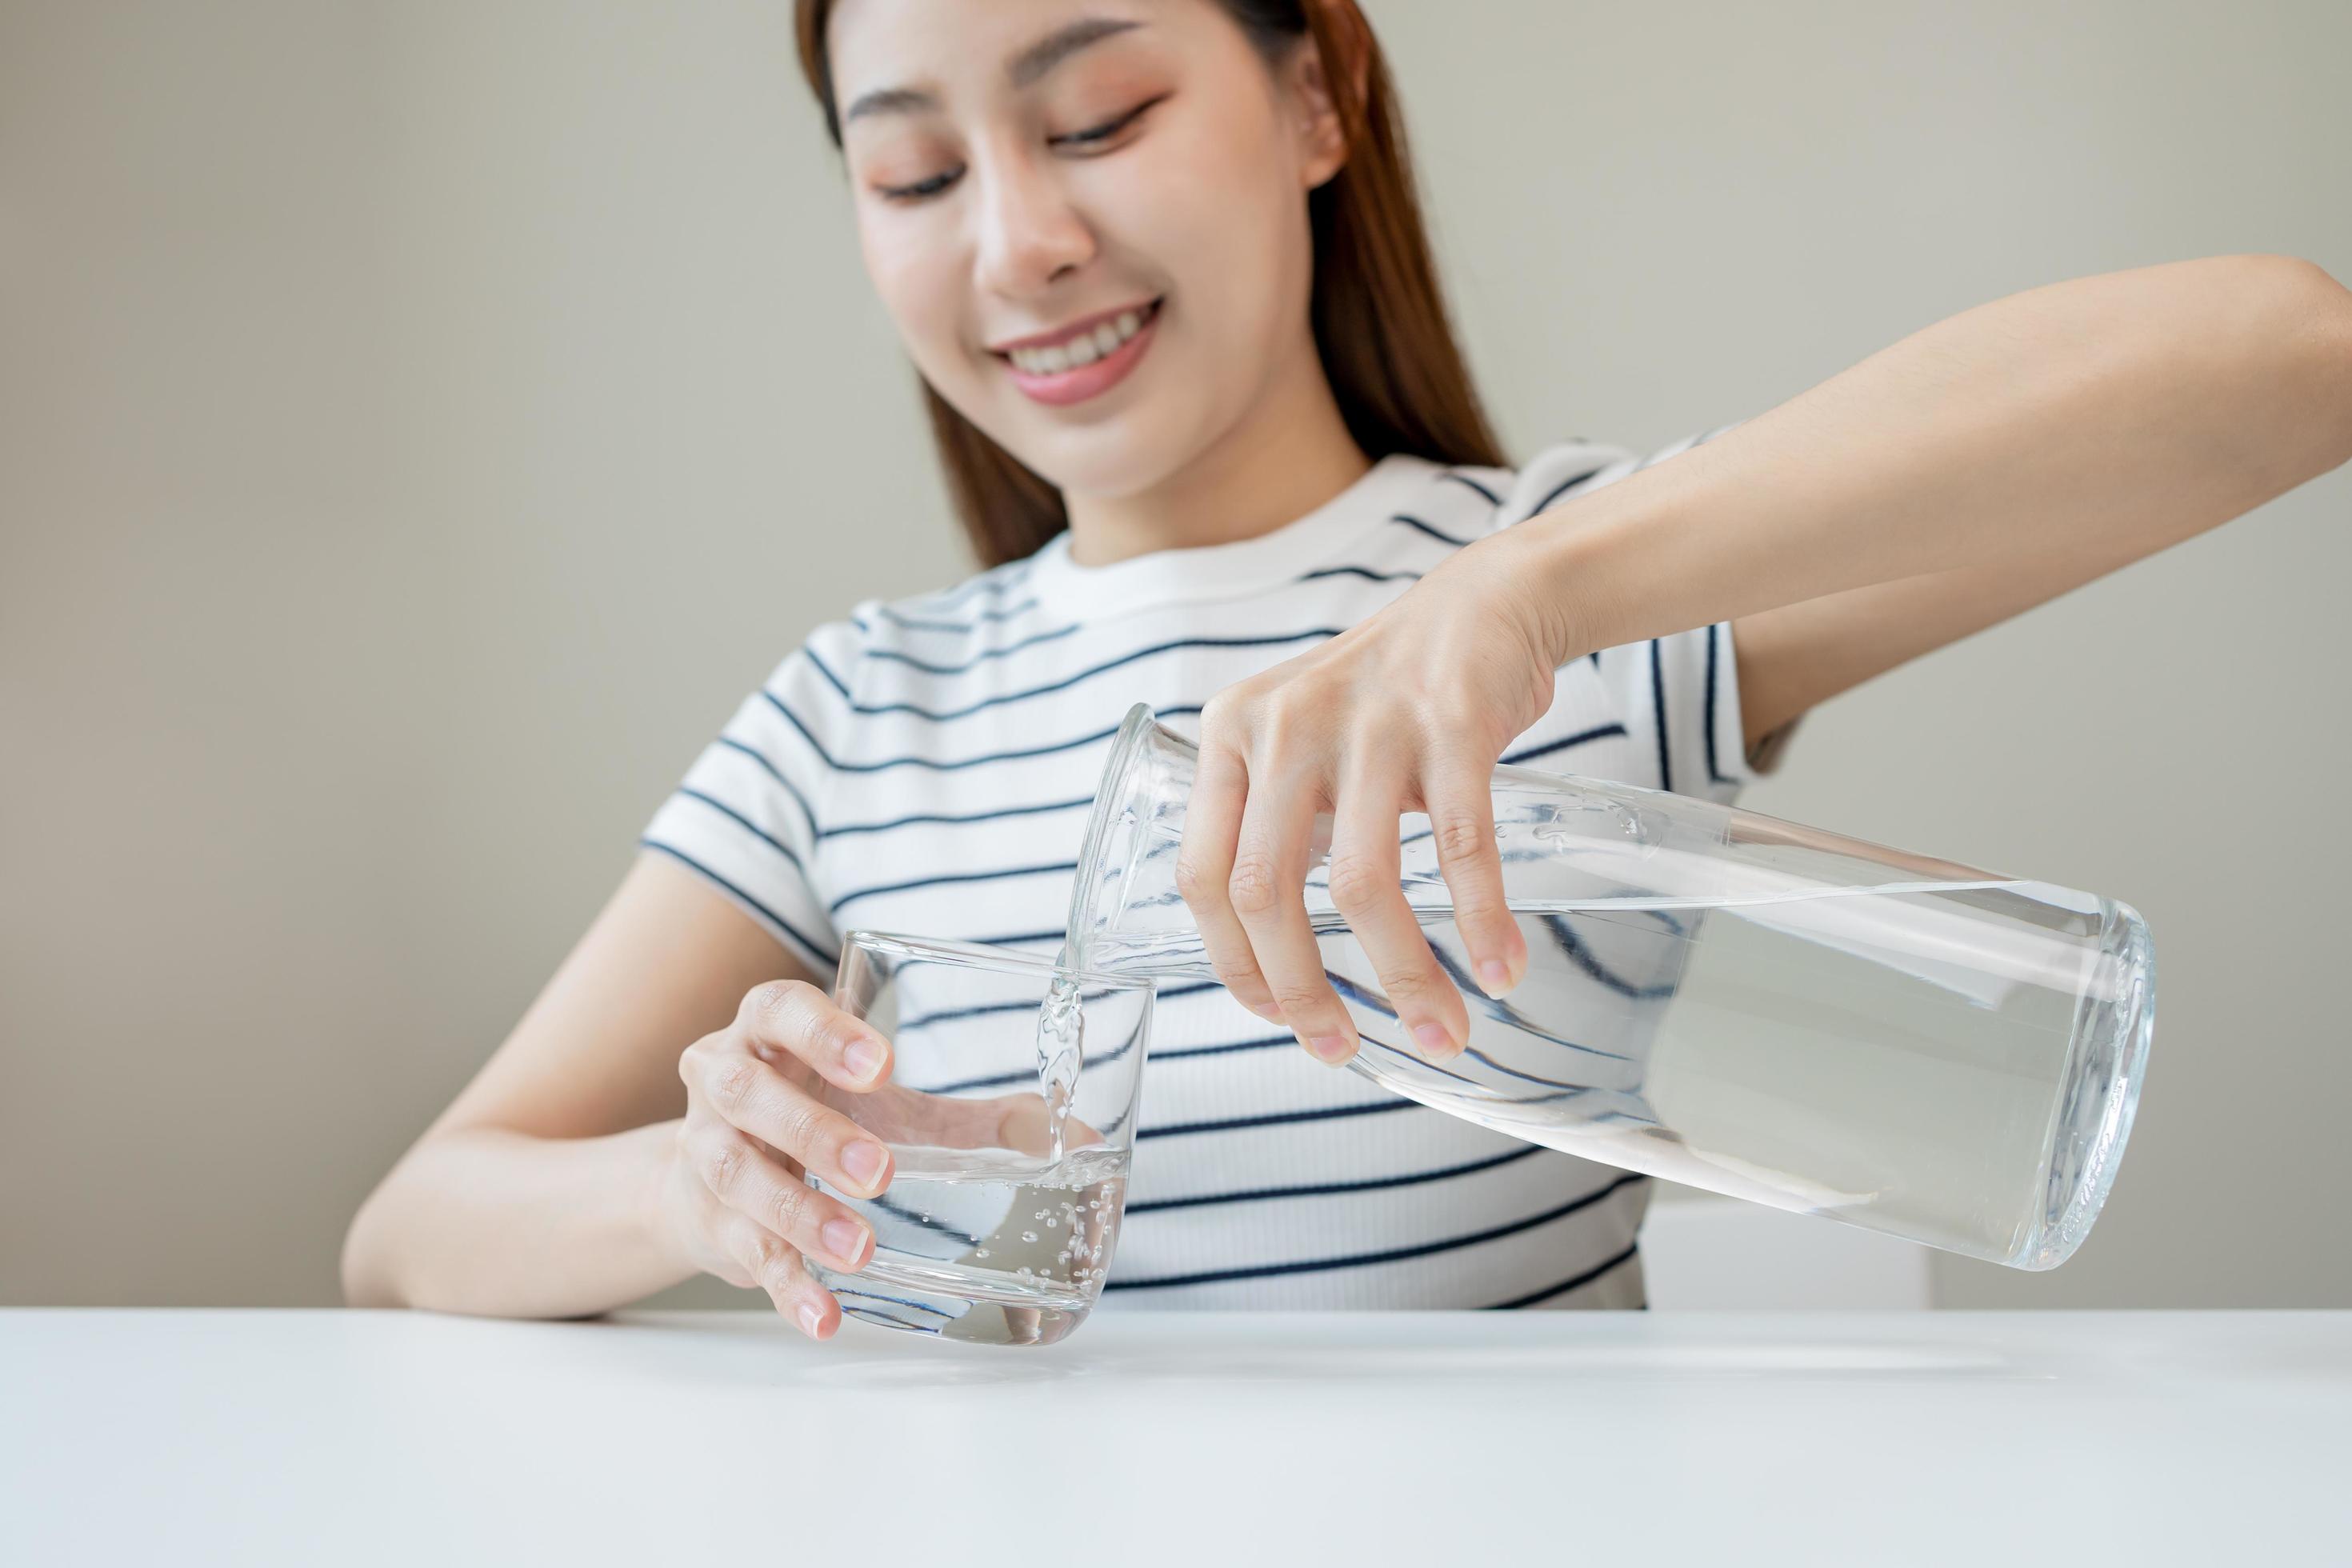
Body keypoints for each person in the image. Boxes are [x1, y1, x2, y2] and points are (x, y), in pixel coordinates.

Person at [341, 0, 2352, 1337]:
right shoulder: (863, 713)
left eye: (1100, 117)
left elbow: (2291, 361)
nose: (1020, 242)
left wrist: (1534, 586)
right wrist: (703, 1188)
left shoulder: (1576, 597)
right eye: (918, 175)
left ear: (1320, 95)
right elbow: (414, 1226)